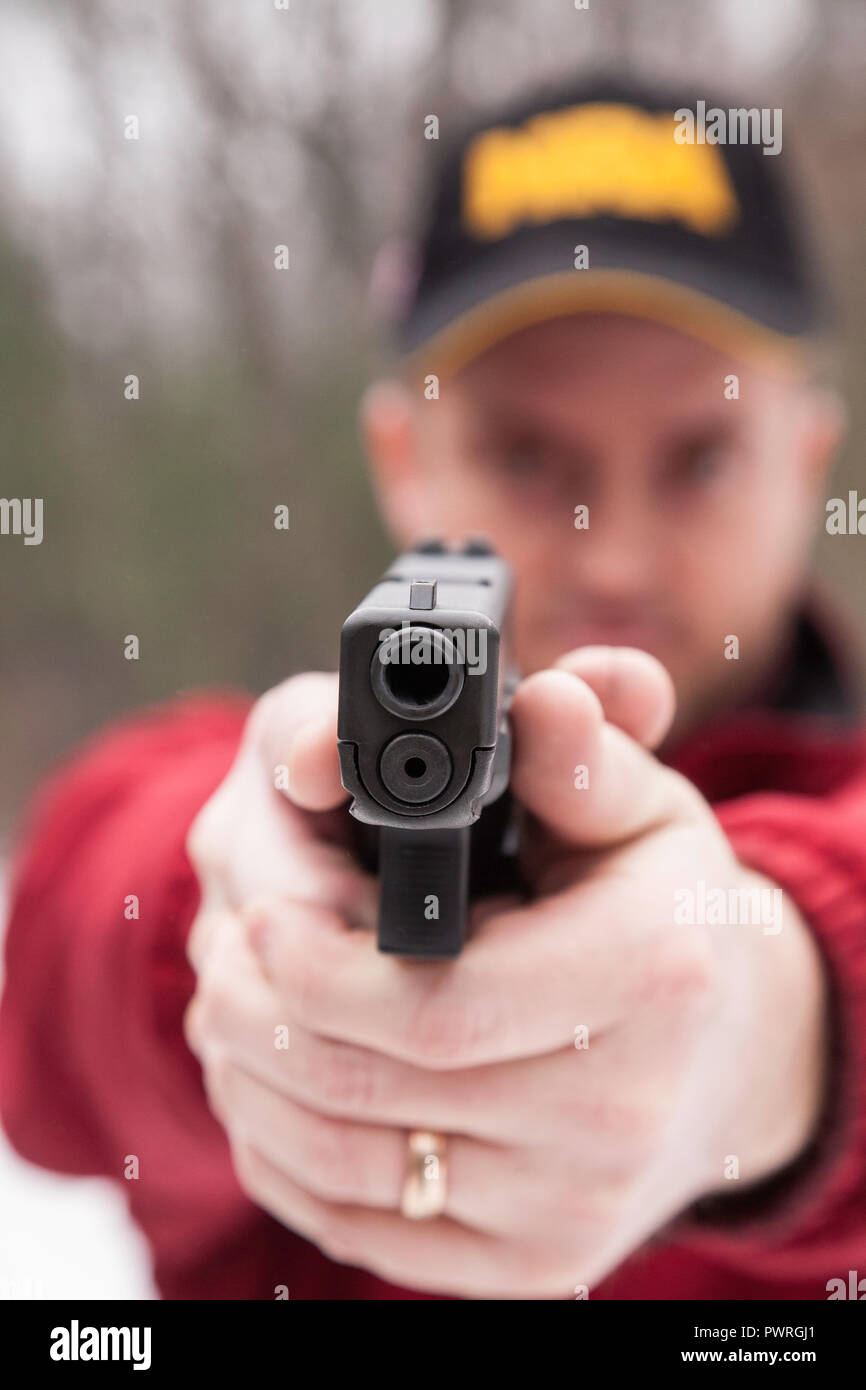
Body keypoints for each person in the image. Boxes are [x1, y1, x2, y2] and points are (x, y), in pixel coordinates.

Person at [2, 77, 865, 1301]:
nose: (609, 551)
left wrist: (790, 1029)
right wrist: (231, 936)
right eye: (526, 454)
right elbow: (59, 946)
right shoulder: (228, 788)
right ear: (399, 460)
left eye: (698, 457)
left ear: (805, 461)